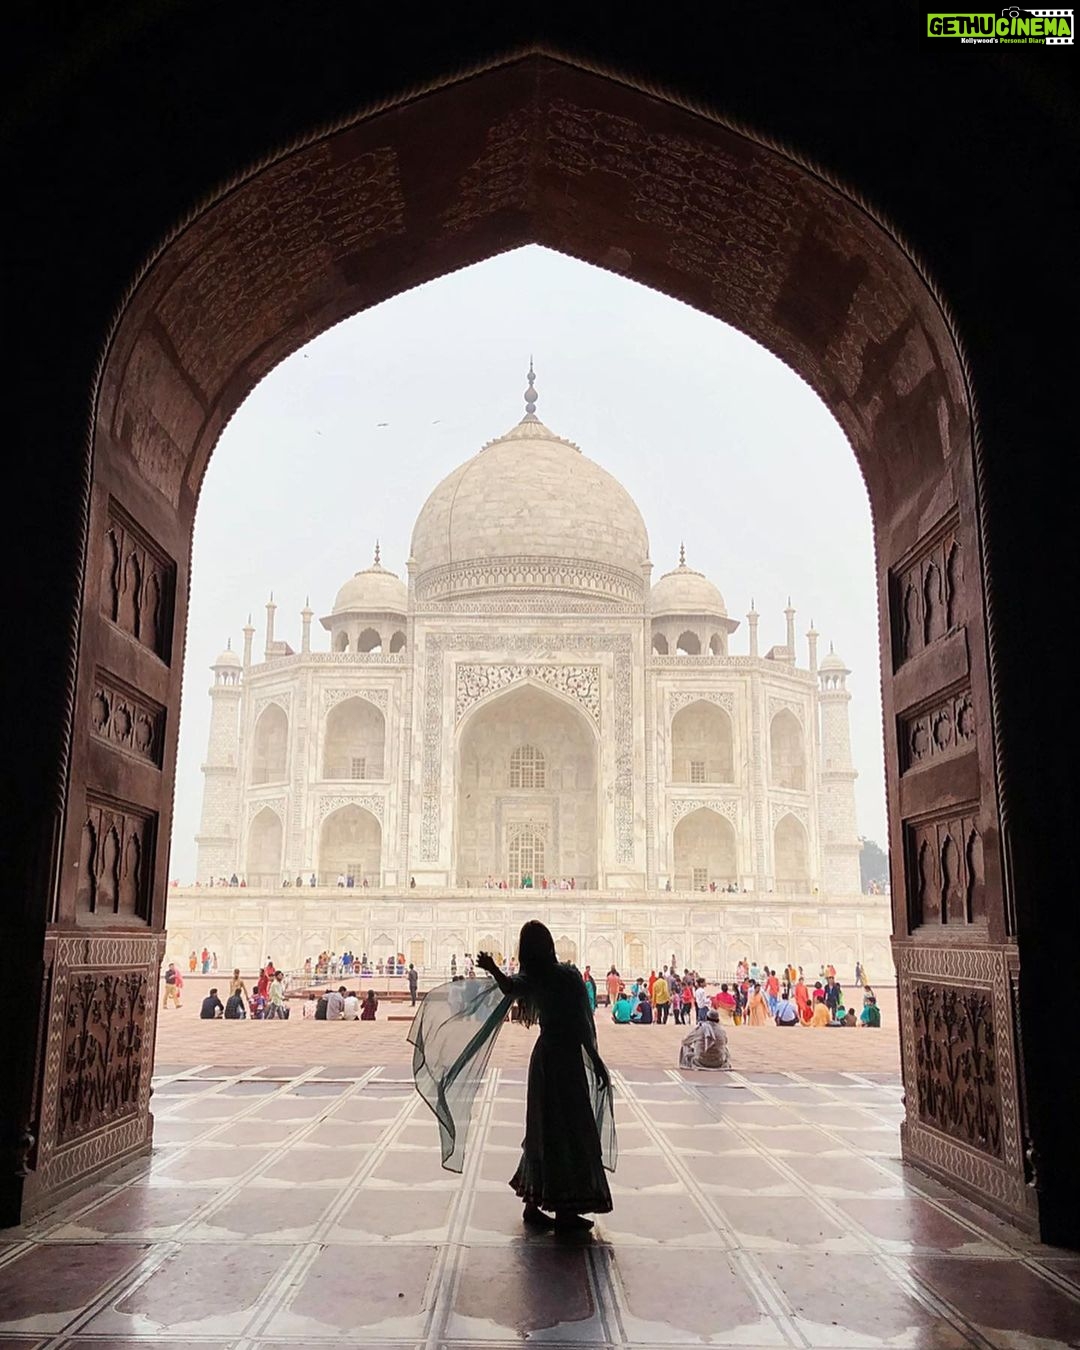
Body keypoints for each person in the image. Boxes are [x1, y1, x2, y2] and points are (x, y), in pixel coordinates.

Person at [442, 921, 614, 1231]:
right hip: (566, 1057)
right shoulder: (567, 975)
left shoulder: (535, 977)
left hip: (545, 1058)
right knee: (570, 1129)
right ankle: (565, 1211)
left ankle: (533, 1205)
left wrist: (494, 968)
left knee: (543, 1128)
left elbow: (510, 987)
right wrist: (596, 1060)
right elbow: (582, 1023)